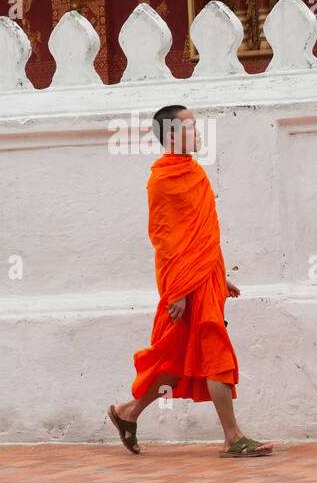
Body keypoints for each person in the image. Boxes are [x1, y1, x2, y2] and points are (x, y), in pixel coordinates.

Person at [108, 104, 273, 458]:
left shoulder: (195, 172)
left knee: (177, 362)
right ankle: (233, 437)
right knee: (216, 355)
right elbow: (165, 238)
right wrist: (177, 290)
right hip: (184, 285)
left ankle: (128, 412)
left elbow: (203, 233)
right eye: (190, 128)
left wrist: (220, 274)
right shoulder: (162, 180)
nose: (198, 134)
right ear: (171, 135)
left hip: (205, 278)